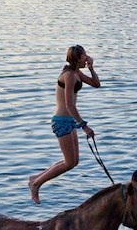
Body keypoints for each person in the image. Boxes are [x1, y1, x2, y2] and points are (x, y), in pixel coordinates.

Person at [28, 45, 101, 204]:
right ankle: (36, 184)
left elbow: (96, 84)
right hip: (61, 121)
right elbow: (69, 105)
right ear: (77, 57)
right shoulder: (68, 75)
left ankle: (35, 178)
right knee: (69, 162)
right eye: (84, 55)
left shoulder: (77, 73)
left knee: (73, 162)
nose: (87, 57)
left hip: (69, 121)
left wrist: (91, 68)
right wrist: (84, 126)